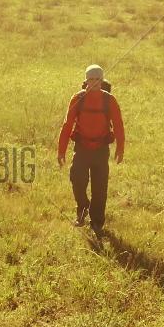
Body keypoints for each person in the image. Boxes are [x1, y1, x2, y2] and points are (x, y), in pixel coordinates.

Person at [57, 65, 125, 235]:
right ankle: (82, 208)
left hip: (101, 150)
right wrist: (61, 151)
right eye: (91, 79)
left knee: (100, 187)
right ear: (86, 80)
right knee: (77, 179)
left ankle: (97, 222)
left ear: (102, 81)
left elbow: (118, 125)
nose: (94, 82)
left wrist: (120, 148)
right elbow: (67, 125)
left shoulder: (110, 100)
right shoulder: (77, 99)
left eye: (97, 79)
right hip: (81, 149)